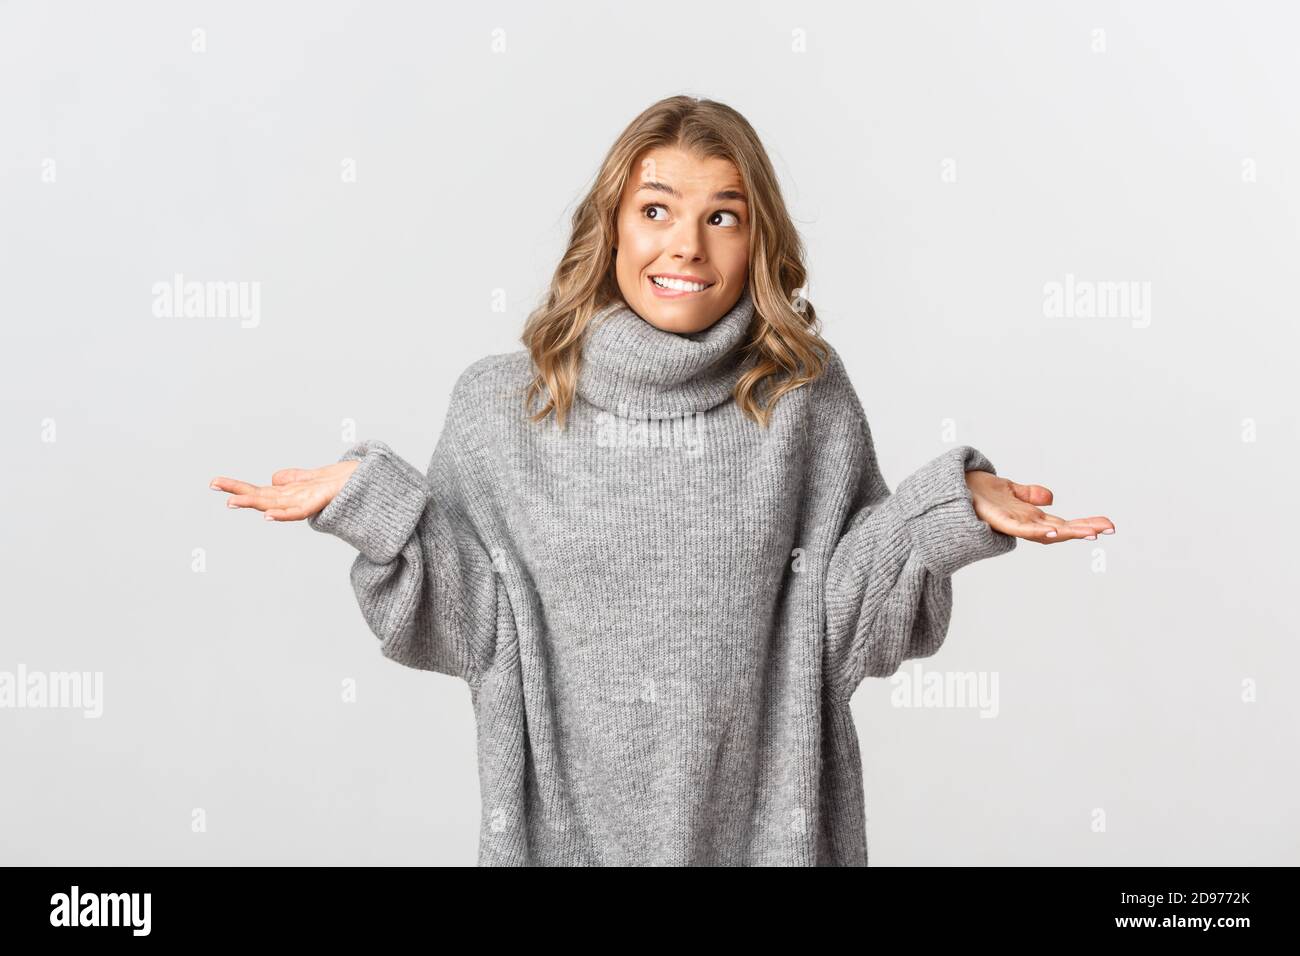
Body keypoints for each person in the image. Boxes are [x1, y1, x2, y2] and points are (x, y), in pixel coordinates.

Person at [209, 95, 1114, 865]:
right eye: (655, 211)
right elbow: (474, 625)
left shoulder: (803, 399)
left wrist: (940, 514)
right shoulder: (502, 406)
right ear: (610, 223)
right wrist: (370, 501)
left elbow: (838, 628)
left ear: (757, 240)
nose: (685, 246)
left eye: (722, 216)